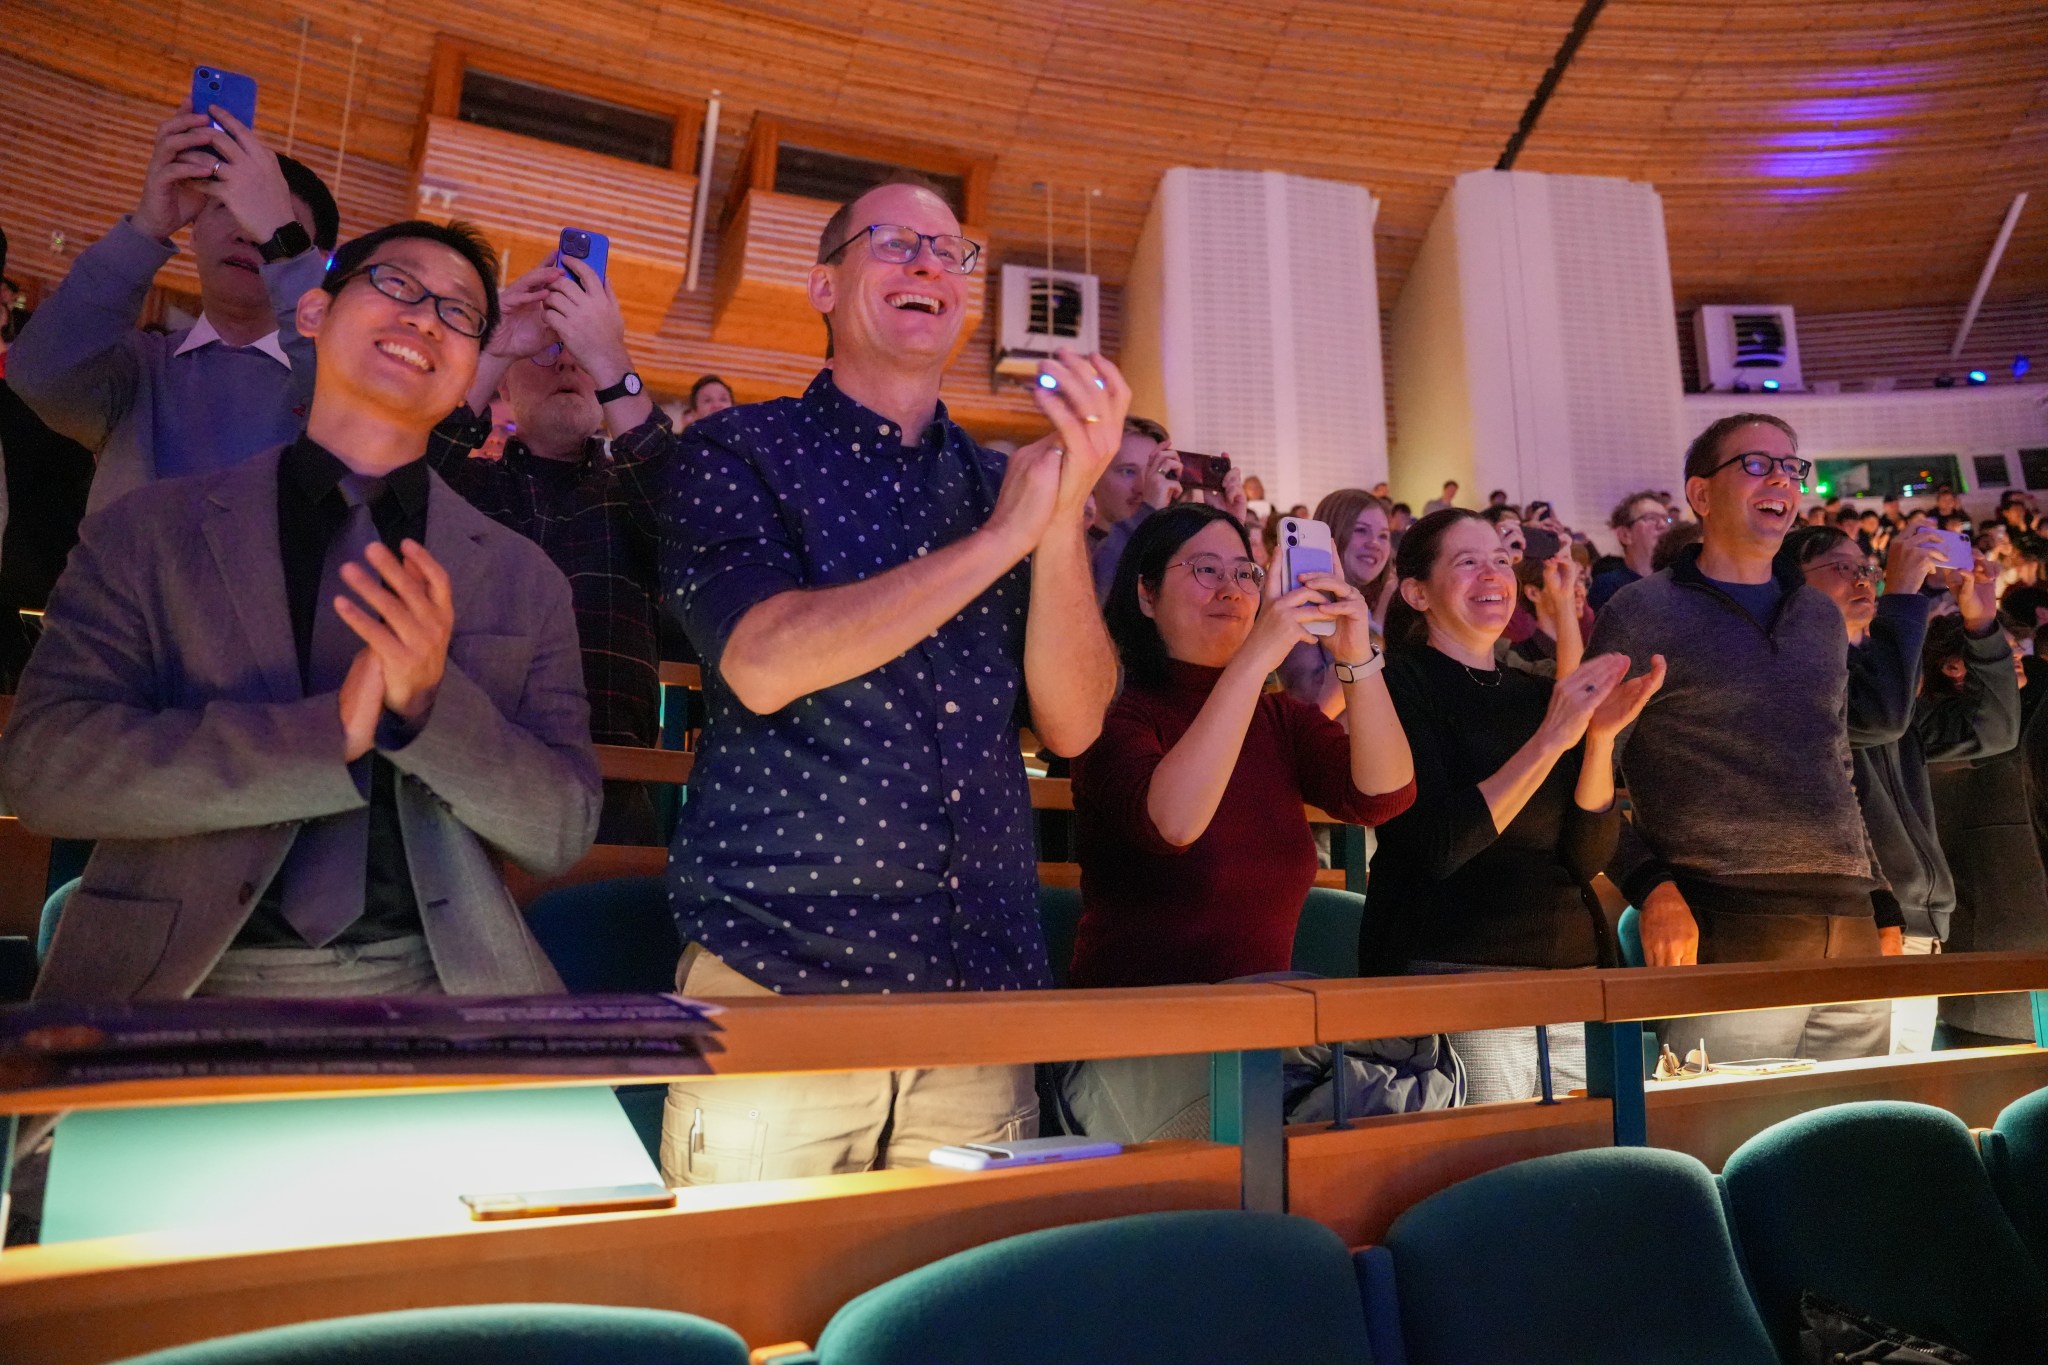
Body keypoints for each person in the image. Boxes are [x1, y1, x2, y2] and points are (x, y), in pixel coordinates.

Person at [659, 174, 1127, 1185]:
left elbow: (1078, 725)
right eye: (891, 243)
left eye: (950, 253)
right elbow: (765, 660)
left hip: (977, 996)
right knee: (747, 1318)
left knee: (958, 1321)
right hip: (784, 977)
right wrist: (1005, 534)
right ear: (823, 288)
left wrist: (1054, 525)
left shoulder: (1000, 483)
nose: (927, 264)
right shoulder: (738, 450)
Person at [0, 219, 601, 1002]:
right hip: (175, 985)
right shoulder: (147, 533)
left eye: (459, 312)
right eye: (396, 284)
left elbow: (561, 830)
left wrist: (427, 708)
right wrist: (330, 734)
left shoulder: (526, 578)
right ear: (313, 313)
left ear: (469, 370)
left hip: (443, 985)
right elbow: (45, 771)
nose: (425, 317)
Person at [1060, 503, 1424, 1138]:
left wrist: (1355, 652)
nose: (1231, 588)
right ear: (1145, 595)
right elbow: (1173, 823)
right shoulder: (1116, 716)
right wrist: (1256, 658)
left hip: (1258, 1047)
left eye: (1246, 573)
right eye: (1205, 569)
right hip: (1139, 1052)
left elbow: (1385, 795)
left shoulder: (1278, 720)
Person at [1589, 413, 1896, 1061]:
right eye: (1756, 463)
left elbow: (1832, 763)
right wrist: (1651, 887)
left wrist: (1880, 893)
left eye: (1791, 465)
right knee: (1729, 1137)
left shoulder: (1818, 611)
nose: (1782, 476)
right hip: (1721, 919)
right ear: (1701, 495)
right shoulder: (1643, 611)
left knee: (1858, 1140)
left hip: (1850, 922)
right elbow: (1585, 771)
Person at [1365, 510, 1663, 1101]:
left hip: (1575, 972)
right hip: (1461, 966)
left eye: (1501, 560)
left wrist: (1598, 738)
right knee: (1495, 1173)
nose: (1492, 574)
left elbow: (1586, 855)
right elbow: (1437, 846)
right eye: (1468, 561)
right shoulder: (1398, 686)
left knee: (1596, 1166)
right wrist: (1551, 739)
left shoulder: (1534, 694)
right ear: (1416, 592)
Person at [423, 256, 673, 844]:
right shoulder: (465, 484)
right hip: (457, 771)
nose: (564, 360)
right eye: (543, 351)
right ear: (506, 386)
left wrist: (610, 357)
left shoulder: (632, 492)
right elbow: (391, 482)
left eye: (578, 351)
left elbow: (691, 522)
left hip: (609, 779)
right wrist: (496, 349)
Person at [9, 102, 339, 515]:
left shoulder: (331, 388)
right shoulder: (138, 368)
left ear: (316, 261)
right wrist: (148, 224)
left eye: (271, 225)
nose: (247, 234)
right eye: (227, 209)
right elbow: (39, 376)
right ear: (194, 230)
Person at [1786, 523, 2018, 1051]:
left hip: (1922, 924)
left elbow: (1992, 731)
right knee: (1866, 1102)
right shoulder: (1801, 682)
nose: (1864, 580)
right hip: (1864, 924)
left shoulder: (1879, 682)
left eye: (1868, 568)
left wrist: (1981, 621)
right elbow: (1882, 716)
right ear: (1792, 587)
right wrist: (1903, 595)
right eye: (1842, 568)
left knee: (1904, 1094)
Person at [1928, 616, 2048, 1045]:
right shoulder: (1938, 735)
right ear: (1951, 666)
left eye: (2013, 646)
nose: (2016, 656)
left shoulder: (2030, 720)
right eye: (2000, 649)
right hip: (1987, 963)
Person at [1276, 488, 1396, 713]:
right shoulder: (1302, 600)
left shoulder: (1376, 601)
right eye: (1361, 530)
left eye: (1383, 535)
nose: (1375, 543)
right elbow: (1313, 706)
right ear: (1332, 534)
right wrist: (1376, 631)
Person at [1087, 415, 1180, 602]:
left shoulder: (1172, 549)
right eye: (1127, 471)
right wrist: (1145, 514)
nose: (1143, 487)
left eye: (1152, 471)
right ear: (1093, 476)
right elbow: (1104, 600)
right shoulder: (1075, 548)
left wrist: (1225, 520)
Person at [1590, 490, 1672, 611]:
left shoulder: (1676, 581)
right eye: (1651, 518)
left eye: (1666, 519)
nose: (1663, 525)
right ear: (1625, 535)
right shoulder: (1609, 586)